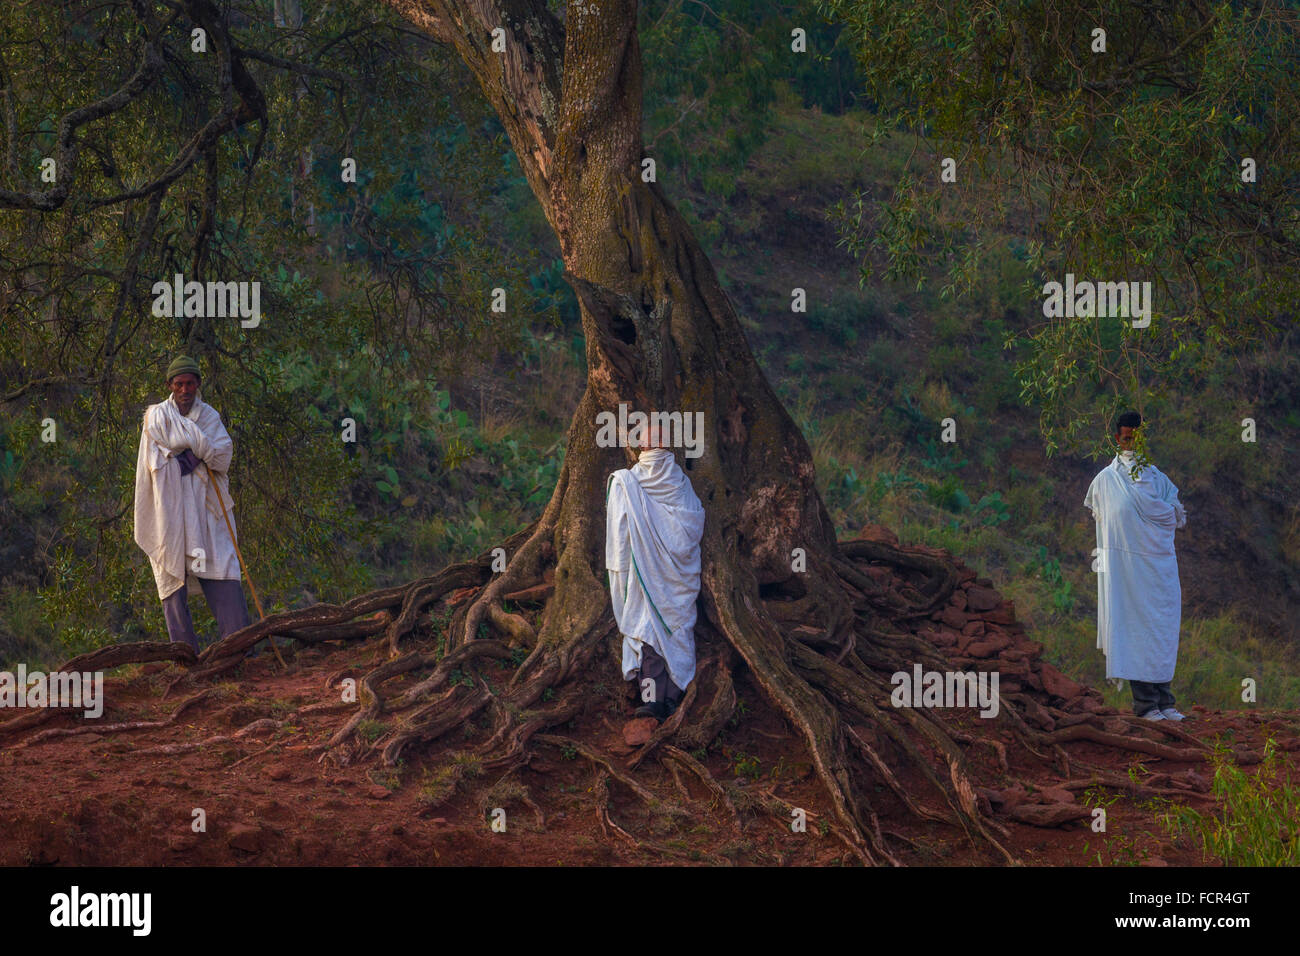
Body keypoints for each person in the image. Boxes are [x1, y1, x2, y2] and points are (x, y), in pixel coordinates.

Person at [133, 355, 252, 653]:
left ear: (198, 384)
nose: (185, 389)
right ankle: (185, 659)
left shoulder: (209, 417)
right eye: (179, 384)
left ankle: (240, 651)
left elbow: (223, 454)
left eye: (190, 383)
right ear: (171, 386)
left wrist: (190, 454)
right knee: (171, 573)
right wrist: (195, 454)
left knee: (223, 566)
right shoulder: (157, 418)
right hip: (169, 512)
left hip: (205, 509)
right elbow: (154, 461)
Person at [1084, 411, 1188, 721]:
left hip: (1160, 568)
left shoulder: (1157, 477)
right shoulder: (1106, 480)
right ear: (1118, 438)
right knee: (1135, 631)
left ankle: (1165, 701)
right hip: (1127, 571)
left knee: (1162, 629)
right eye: (1127, 437)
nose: (1131, 443)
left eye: (1137, 438)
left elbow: (1176, 514)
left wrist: (1157, 519)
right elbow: (1107, 523)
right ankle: (1145, 706)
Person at [605, 420, 705, 722]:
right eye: (651, 446)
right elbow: (622, 536)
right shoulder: (630, 482)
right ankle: (651, 702)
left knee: (673, 632)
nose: (654, 452)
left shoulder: (674, 483)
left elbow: (689, 527)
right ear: (642, 448)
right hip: (643, 577)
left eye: (657, 446)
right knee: (650, 635)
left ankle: (672, 700)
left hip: (674, 579)